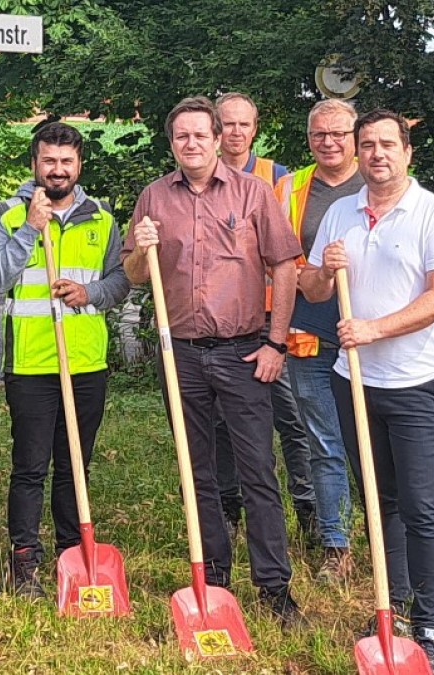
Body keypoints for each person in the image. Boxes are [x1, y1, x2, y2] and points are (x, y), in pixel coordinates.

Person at [122, 96, 304, 628]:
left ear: (219, 138)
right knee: (196, 469)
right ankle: (214, 577)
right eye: (182, 136)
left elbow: (286, 266)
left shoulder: (253, 194)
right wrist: (142, 248)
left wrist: (276, 343)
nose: (192, 143)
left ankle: (274, 587)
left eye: (201, 134)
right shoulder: (154, 196)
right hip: (180, 353)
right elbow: (133, 274)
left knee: (257, 472)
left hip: (245, 350)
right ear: (171, 142)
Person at [298, 109, 434, 675]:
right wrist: (324, 268)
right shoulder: (339, 212)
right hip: (355, 382)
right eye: (366, 144)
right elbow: (312, 287)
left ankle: (430, 625)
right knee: (381, 501)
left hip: (417, 382)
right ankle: (389, 608)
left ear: (407, 152)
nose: (376, 154)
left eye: (386, 144)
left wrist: (373, 329)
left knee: (422, 507)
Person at [0, 122, 129, 597]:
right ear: (34, 164)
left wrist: (90, 292)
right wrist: (31, 228)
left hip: (86, 362)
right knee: (30, 466)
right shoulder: (7, 214)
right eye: (49, 161)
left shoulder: (102, 218)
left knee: (75, 464)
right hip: (30, 364)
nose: (58, 170)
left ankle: (73, 551)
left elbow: (121, 282)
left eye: (66, 162)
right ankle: (24, 560)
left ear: (79, 165)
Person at [212, 92, 315, 548]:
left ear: (255, 129)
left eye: (244, 125)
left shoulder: (278, 179)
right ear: (216, 129)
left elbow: (288, 254)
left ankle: (308, 507)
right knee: (223, 424)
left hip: (275, 321)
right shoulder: (199, 178)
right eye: (227, 125)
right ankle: (228, 507)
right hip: (224, 326)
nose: (235, 133)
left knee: (290, 418)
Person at [280, 99, 366, 584]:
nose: (328, 142)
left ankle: (386, 535)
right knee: (324, 442)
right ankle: (336, 545)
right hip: (310, 333)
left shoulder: (375, 181)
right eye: (319, 134)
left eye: (338, 134)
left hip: (372, 337)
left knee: (375, 442)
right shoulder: (291, 190)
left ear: (355, 137)